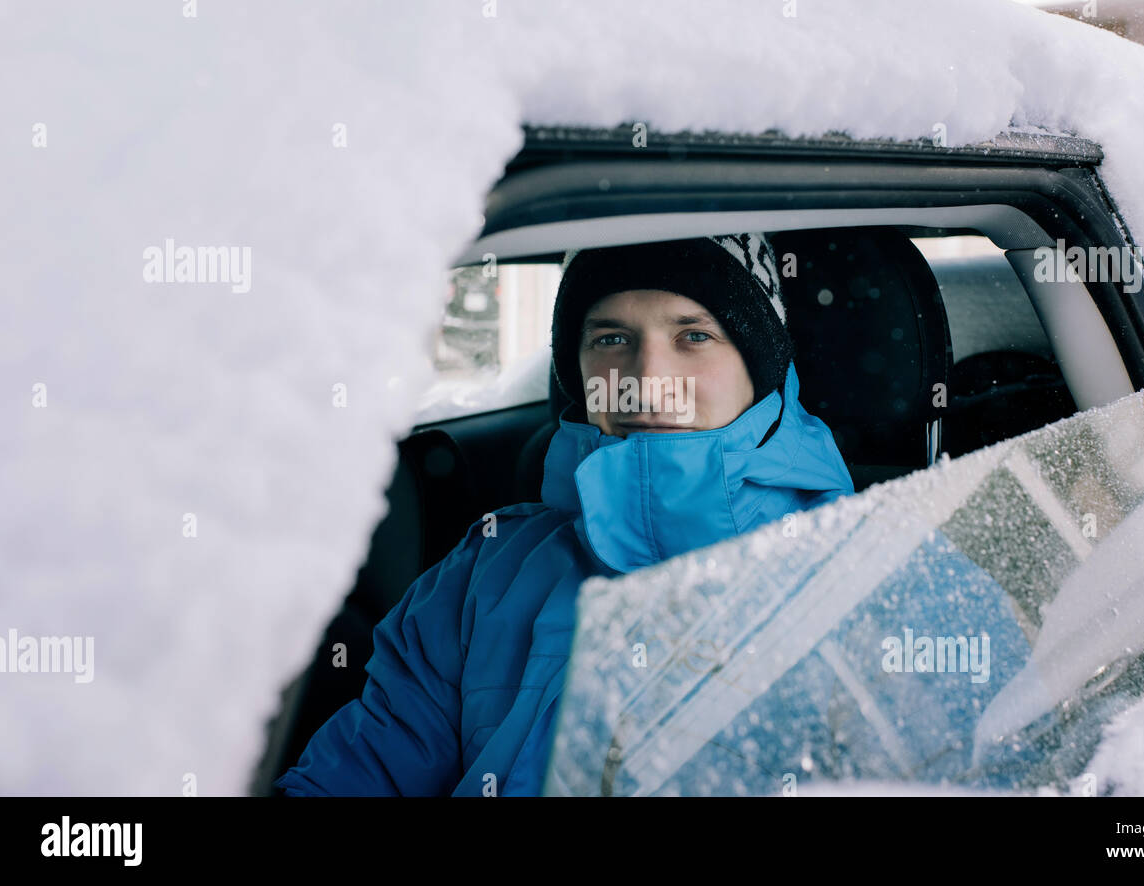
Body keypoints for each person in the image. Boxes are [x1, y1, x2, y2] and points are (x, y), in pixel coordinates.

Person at [273, 233, 855, 796]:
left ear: (760, 363)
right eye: (610, 339)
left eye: (694, 336)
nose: (648, 384)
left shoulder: (859, 572)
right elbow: (363, 770)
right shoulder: (485, 573)